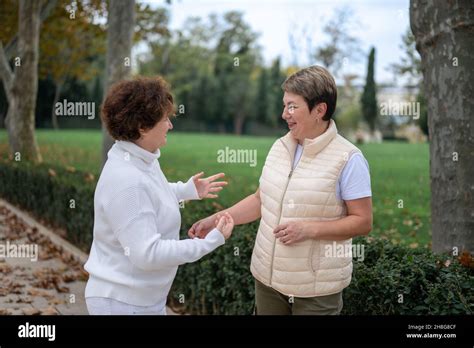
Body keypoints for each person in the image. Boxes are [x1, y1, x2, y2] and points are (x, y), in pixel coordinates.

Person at [189, 66, 372, 315]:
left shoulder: (349, 159)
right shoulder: (280, 147)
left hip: (315, 291)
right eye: (285, 105)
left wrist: (308, 230)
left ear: (319, 110)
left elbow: (362, 222)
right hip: (267, 280)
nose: (284, 114)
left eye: (292, 106)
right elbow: (260, 199)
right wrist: (215, 220)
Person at [84, 76, 234, 315]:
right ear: (142, 127)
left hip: (143, 300)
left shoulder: (140, 159)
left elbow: (150, 195)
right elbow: (148, 254)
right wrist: (210, 242)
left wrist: (186, 191)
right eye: (165, 119)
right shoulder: (128, 179)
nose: (170, 125)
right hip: (123, 304)